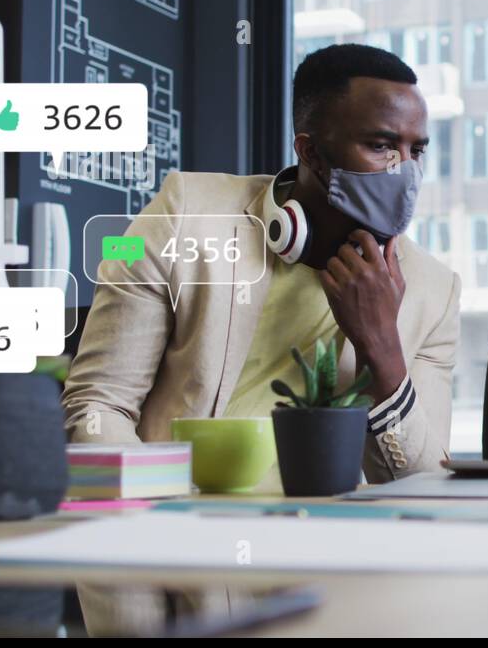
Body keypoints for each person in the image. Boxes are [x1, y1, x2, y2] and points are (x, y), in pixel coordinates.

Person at [62, 44, 460, 484]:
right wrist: (161, 513)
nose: (403, 171)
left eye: (415, 151)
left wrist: (382, 351)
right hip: (173, 522)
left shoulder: (434, 291)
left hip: (336, 542)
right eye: (381, 145)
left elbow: (424, 485)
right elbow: (97, 407)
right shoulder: (184, 215)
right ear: (309, 153)